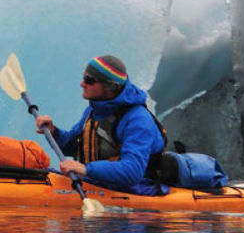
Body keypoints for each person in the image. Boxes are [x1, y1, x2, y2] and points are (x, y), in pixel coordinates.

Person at [35, 55, 167, 195]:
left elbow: (133, 171)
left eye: (89, 80)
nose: (82, 84)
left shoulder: (138, 119)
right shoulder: (94, 110)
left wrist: (86, 170)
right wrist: (53, 131)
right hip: (98, 182)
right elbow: (73, 145)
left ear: (109, 87)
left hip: (135, 191)